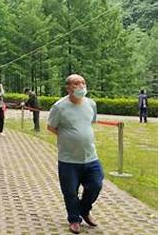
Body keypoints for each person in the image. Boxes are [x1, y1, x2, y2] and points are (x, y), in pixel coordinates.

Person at [47, 74, 103, 234]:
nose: (81, 86)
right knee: (70, 191)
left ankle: (84, 210)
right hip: (68, 159)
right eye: (76, 83)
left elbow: (90, 123)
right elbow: (51, 127)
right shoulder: (59, 107)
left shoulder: (91, 104)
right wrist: (68, 138)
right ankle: (74, 219)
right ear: (68, 88)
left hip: (91, 157)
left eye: (83, 83)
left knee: (96, 184)